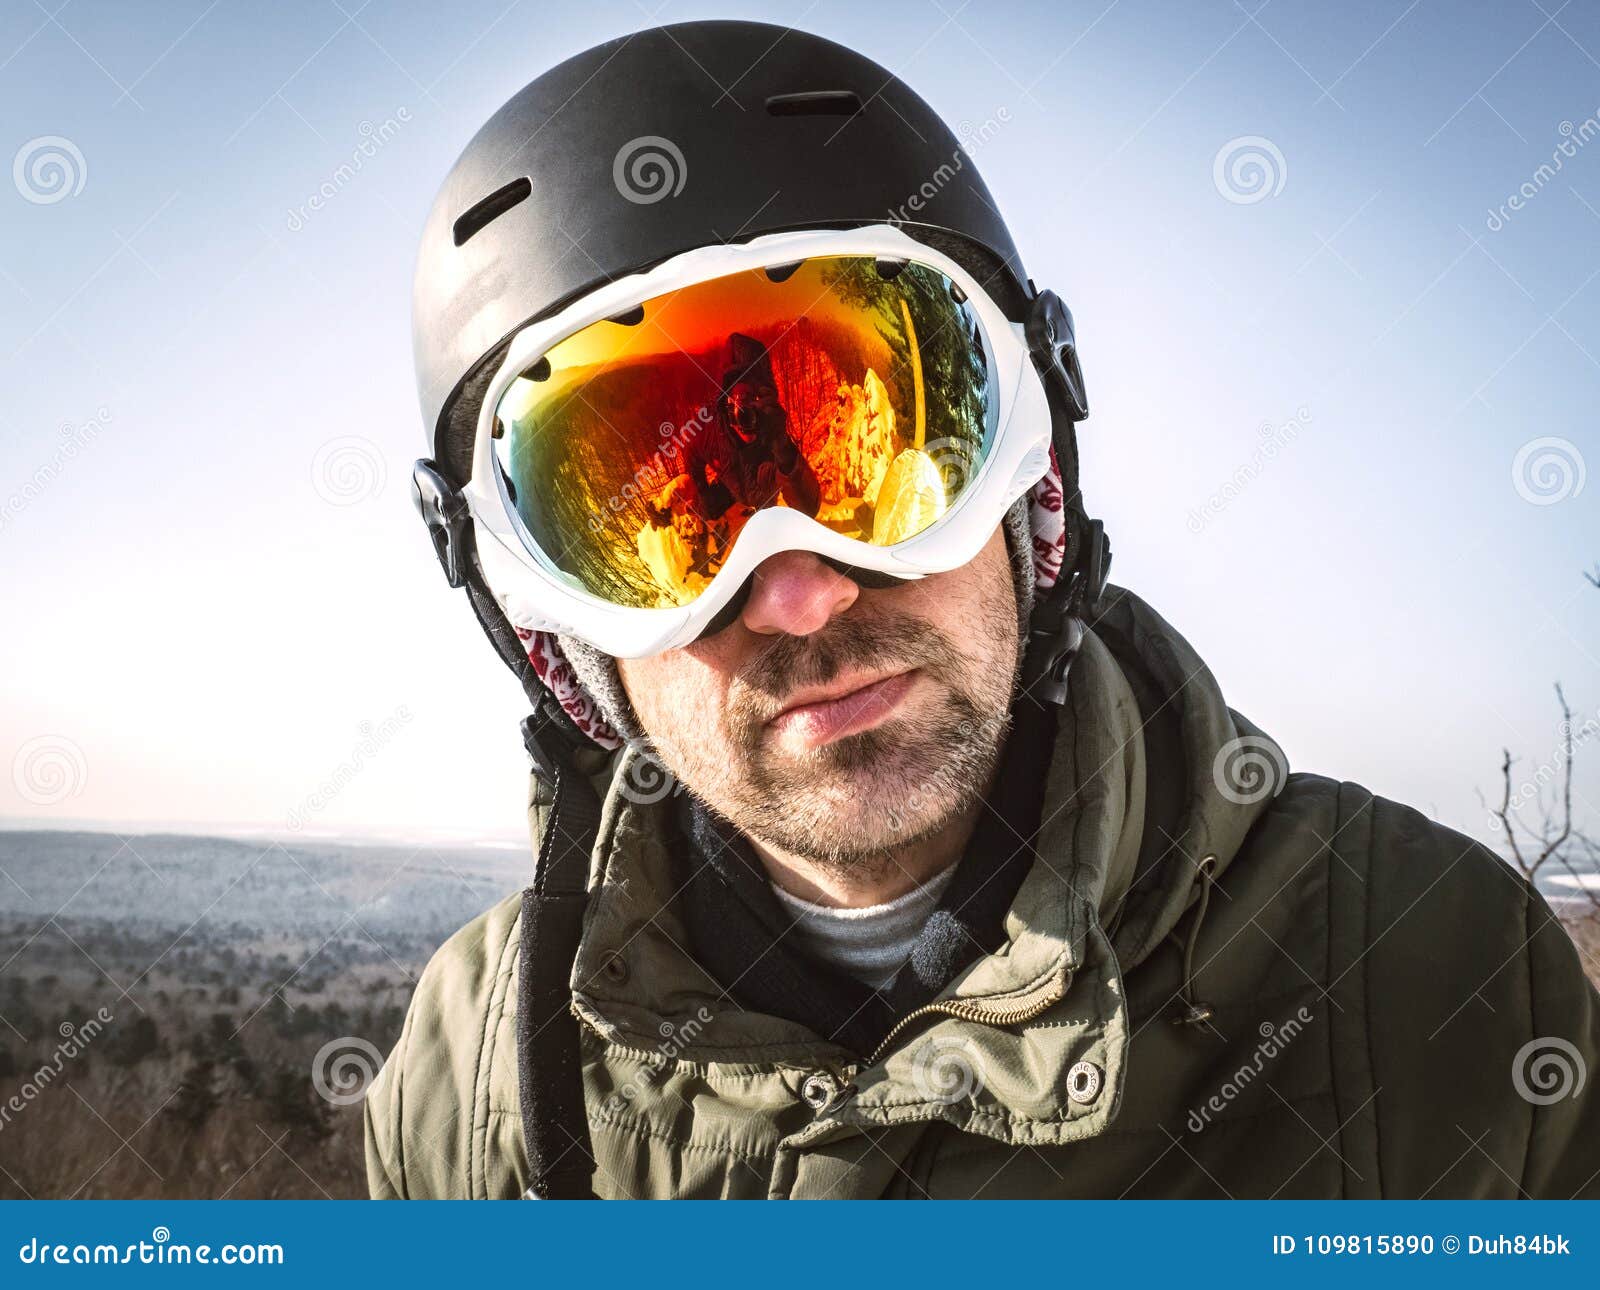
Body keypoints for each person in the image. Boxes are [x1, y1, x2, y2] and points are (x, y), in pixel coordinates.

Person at [371, 20, 1600, 1199]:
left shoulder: (1439, 986)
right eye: (658, 525)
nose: (798, 596)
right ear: (557, 639)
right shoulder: (464, 1083)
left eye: (874, 453)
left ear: (1032, 485)